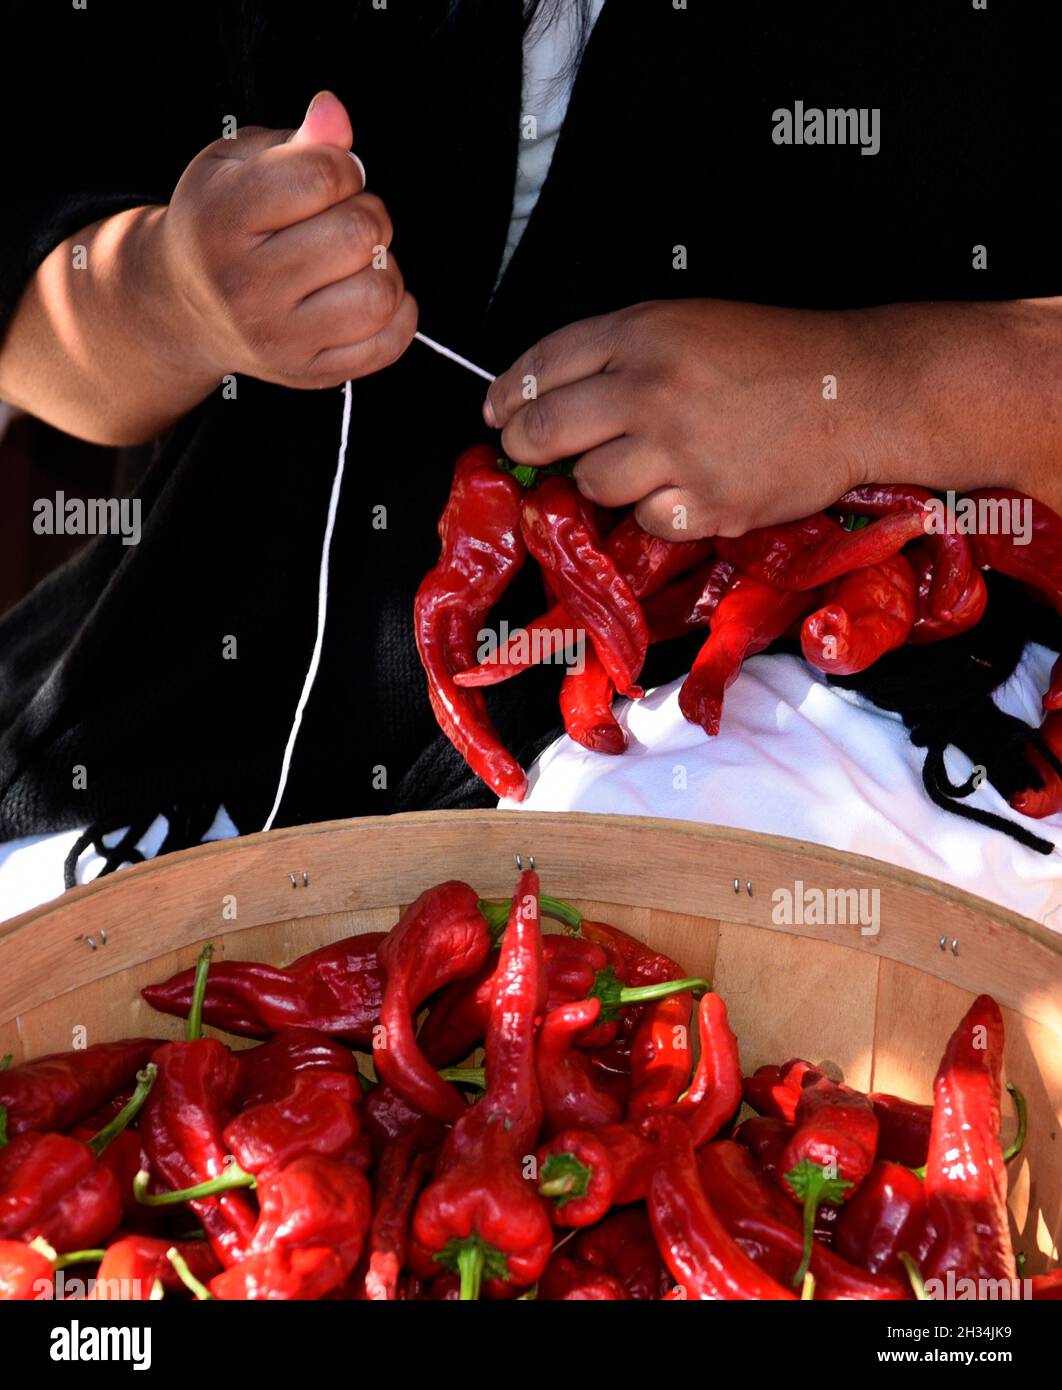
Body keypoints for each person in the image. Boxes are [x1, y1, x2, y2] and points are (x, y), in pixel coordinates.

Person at [0, 1, 1059, 911]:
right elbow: (40, 302)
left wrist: (868, 387)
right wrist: (174, 294)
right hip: (184, 710)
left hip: (867, 725)